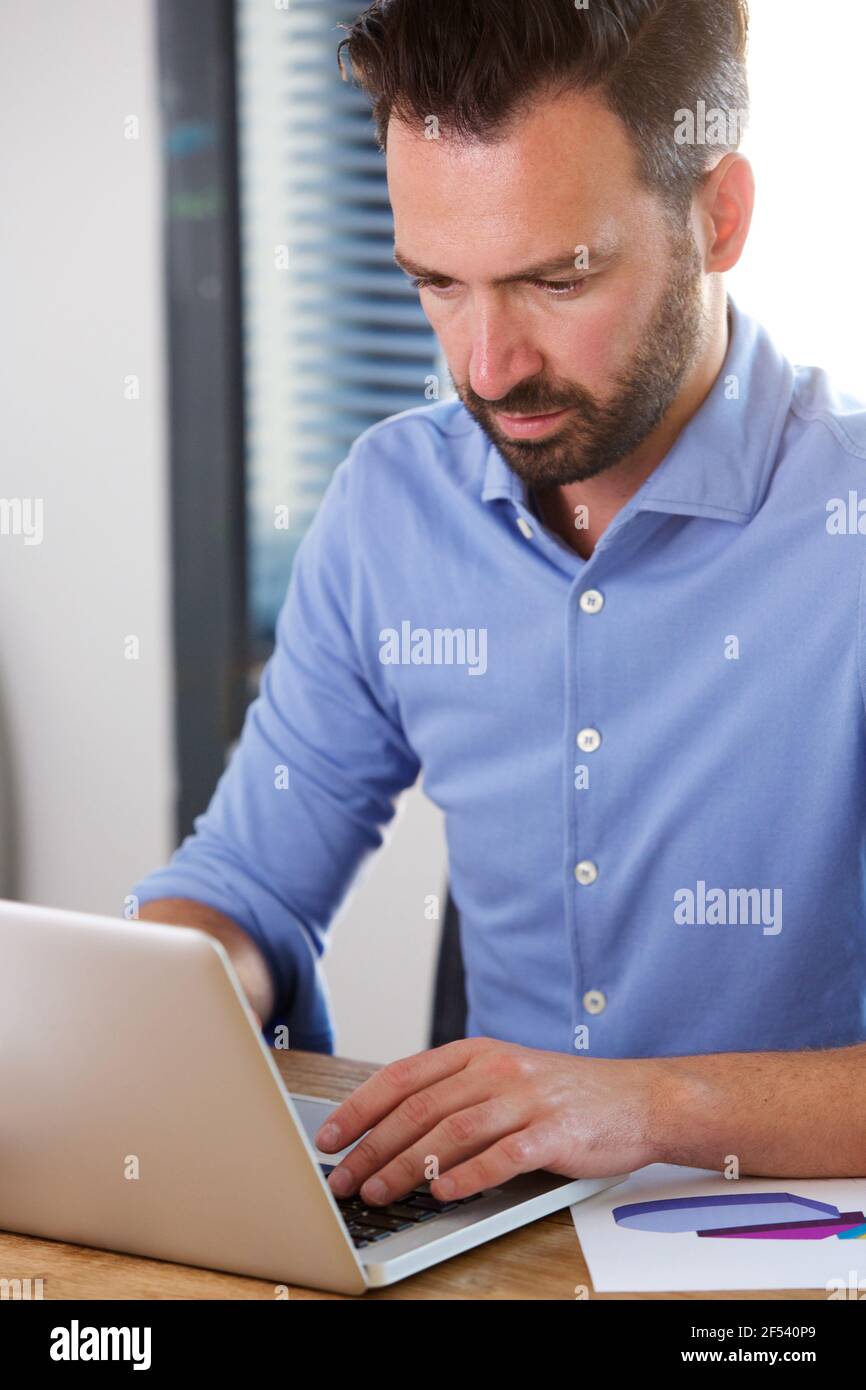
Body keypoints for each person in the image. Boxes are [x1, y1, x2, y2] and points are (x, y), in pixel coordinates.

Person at [131, 0, 866, 1209]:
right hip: (490, 1252)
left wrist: (634, 1106)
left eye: (555, 277)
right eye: (436, 283)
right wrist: (141, 1018)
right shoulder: (390, 506)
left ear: (717, 215)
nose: (485, 367)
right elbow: (248, 889)